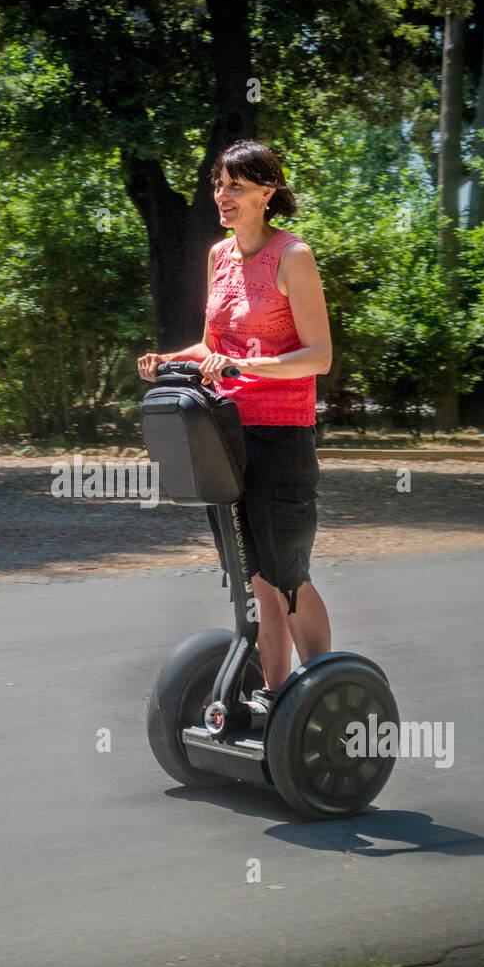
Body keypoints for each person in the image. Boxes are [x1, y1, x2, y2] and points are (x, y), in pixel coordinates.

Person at [138, 139, 333, 725]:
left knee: (286, 573)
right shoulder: (220, 255)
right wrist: (170, 356)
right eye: (220, 185)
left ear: (267, 193)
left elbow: (317, 356)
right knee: (253, 577)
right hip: (226, 431)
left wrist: (247, 366)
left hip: (281, 431)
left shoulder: (292, 255)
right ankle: (278, 700)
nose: (222, 197)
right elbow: (213, 346)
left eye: (236, 187)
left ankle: (321, 695)